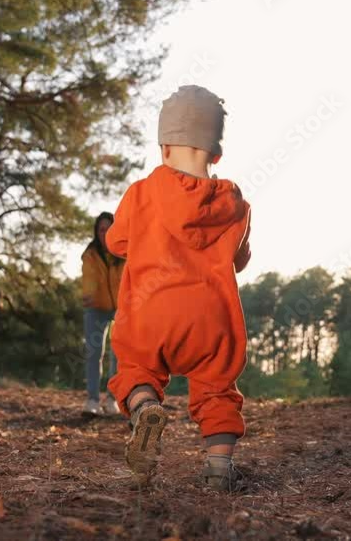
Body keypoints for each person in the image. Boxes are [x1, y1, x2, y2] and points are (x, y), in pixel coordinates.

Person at [105, 85, 252, 492]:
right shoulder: (236, 204)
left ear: (165, 147)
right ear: (216, 153)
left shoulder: (142, 193)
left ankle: (146, 407)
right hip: (212, 319)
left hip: (152, 310)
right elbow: (239, 259)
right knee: (217, 389)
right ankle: (219, 468)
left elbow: (116, 242)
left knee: (136, 369)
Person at [80, 212, 124, 416]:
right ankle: (92, 400)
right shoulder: (90, 254)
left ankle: (112, 400)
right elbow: (89, 277)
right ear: (96, 232)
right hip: (96, 308)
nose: (105, 233)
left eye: (109, 229)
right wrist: (88, 294)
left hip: (120, 309)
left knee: (118, 356)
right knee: (94, 354)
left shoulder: (124, 252)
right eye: (101, 230)